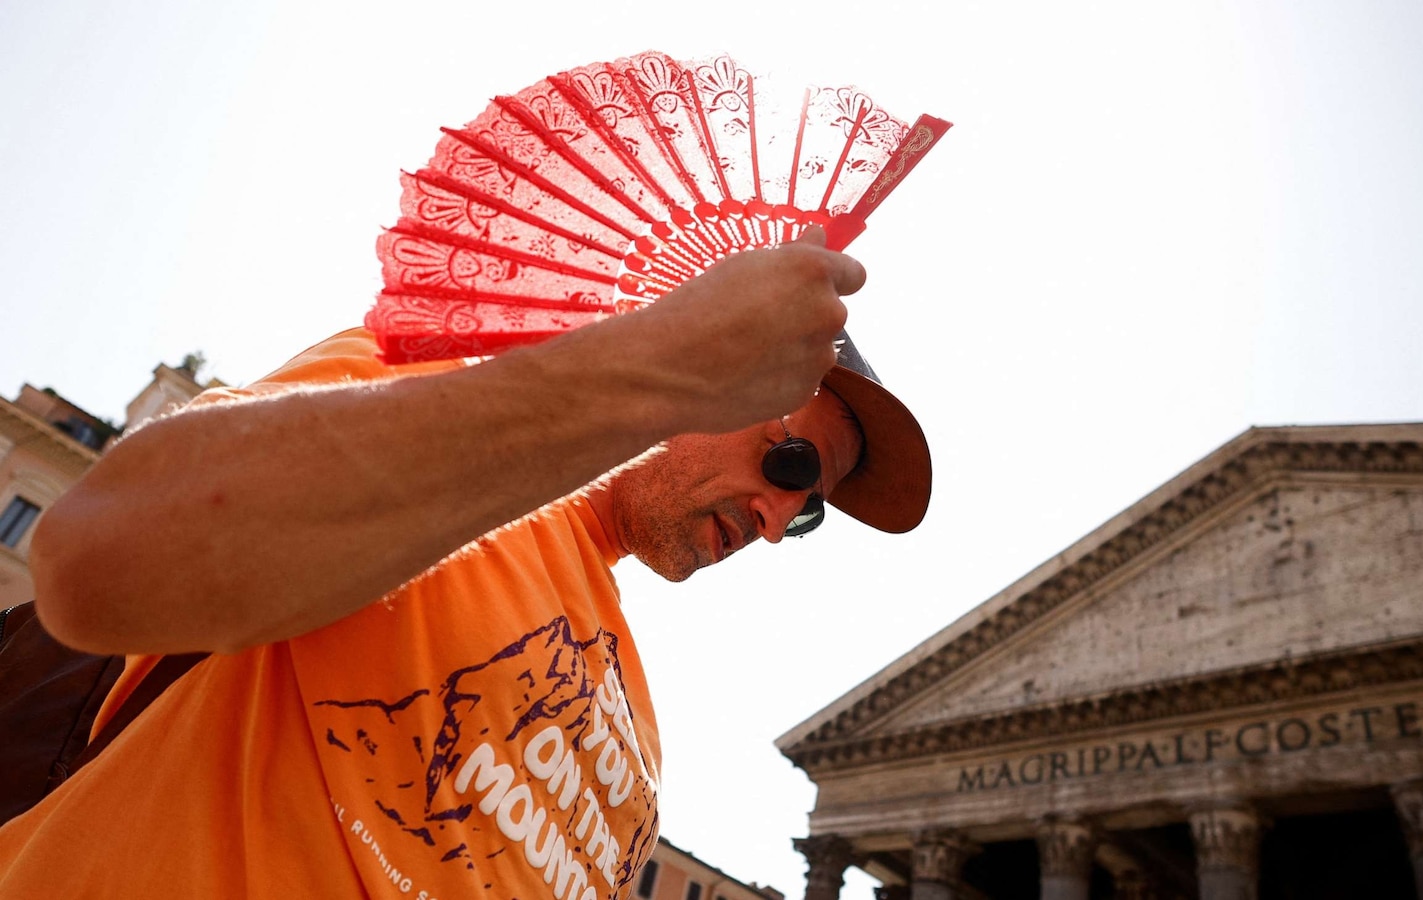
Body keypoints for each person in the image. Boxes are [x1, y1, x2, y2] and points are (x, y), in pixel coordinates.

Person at [0, 228, 932, 899]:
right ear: (716, 380)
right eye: (791, 463)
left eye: (807, 518)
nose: (776, 523)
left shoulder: (644, 733)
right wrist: (643, 372)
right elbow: (100, 556)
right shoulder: (441, 402)